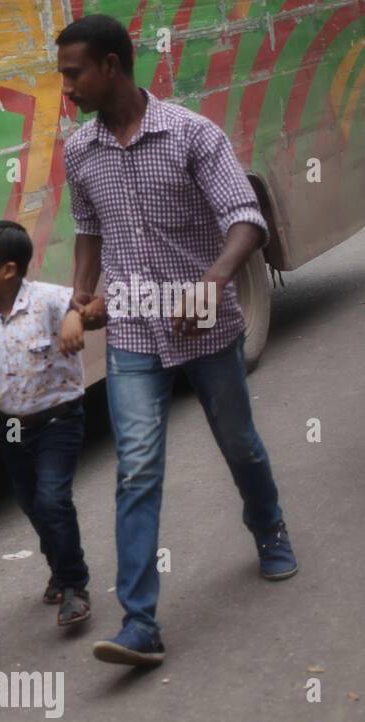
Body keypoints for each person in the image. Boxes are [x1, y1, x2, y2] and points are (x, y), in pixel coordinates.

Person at [54, 14, 297, 667]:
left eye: (74, 72)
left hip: (207, 324)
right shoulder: (79, 151)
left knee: (238, 442)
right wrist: (82, 296)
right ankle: (139, 623)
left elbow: (248, 219)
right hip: (133, 327)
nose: (66, 87)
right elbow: (88, 229)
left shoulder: (192, 135)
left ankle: (268, 525)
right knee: (136, 467)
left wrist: (213, 281)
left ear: (111, 65)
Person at [0, 221, 95, 628]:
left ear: (8, 270)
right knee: (31, 504)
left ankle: (74, 586)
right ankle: (59, 567)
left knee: (51, 500)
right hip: (10, 428)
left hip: (58, 420)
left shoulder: (48, 299)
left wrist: (75, 317)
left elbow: (86, 307)